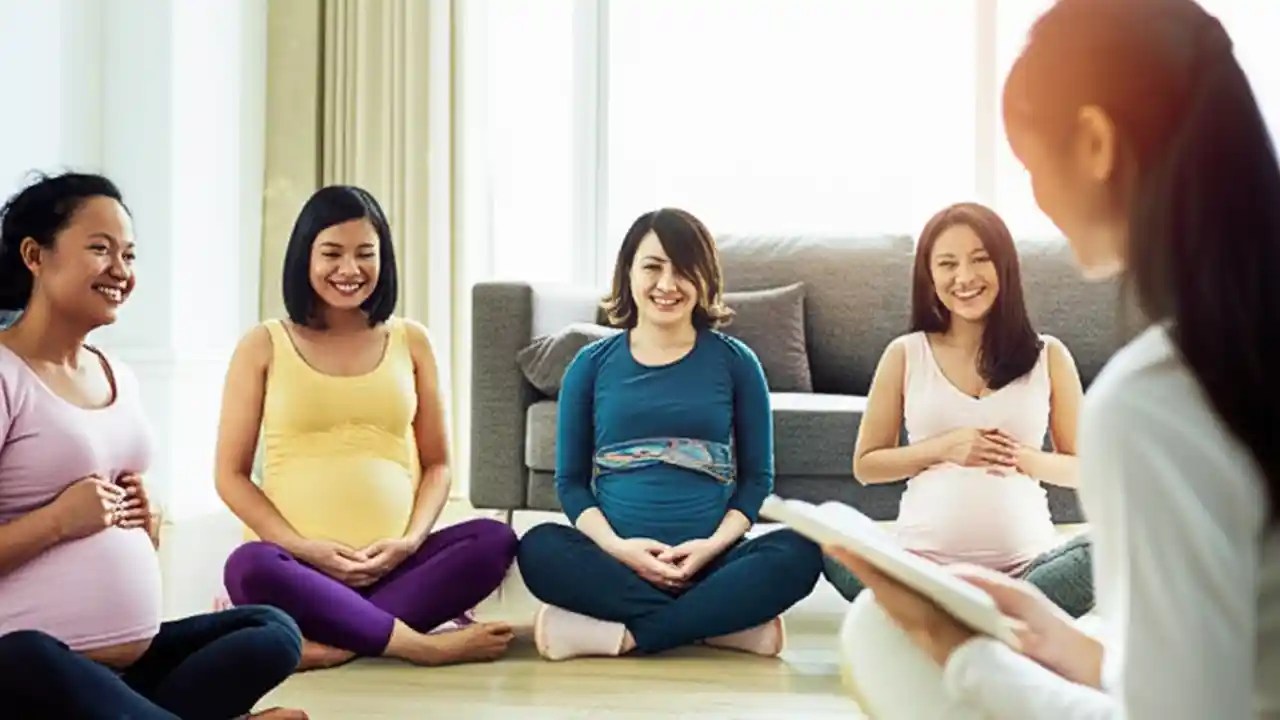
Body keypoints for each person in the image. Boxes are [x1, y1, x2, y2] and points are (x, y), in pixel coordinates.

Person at [826, 0, 1280, 717]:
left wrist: (967, 657)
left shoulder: (1156, 400)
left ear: (1095, 144)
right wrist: (1074, 650)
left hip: (1032, 556)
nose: (1038, 196)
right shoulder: (1229, 357)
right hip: (940, 552)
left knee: (880, 636)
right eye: (945, 263)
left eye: (1032, 162)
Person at [0, 172, 305, 719]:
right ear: (34, 255)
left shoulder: (116, 372)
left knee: (273, 629)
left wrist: (150, 516)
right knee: (24, 656)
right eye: (100, 249)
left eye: (130, 255)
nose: (121, 270)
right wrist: (56, 522)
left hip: (127, 668)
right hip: (27, 668)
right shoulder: (5, 375)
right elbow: (70, 517)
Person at [216, 185, 517, 670]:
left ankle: (332, 642)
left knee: (493, 540)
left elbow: (439, 463)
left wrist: (410, 542)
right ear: (304, 258)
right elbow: (229, 475)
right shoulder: (264, 344)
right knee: (248, 567)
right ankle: (415, 645)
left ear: (385, 259)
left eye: (365, 254)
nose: (350, 270)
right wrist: (302, 547)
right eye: (332, 253)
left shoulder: (411, 340)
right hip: (299, 569)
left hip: (396, 568)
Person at [515, 208, 824, 661]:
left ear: (705, 278)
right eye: (653, 267)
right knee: (540, 548)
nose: (667, 284)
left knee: (800, 550)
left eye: (683, 270)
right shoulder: (590, 365)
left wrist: (710, 547)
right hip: (616, 562)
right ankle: (716, 626)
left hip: (712, 562)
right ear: (628, 274)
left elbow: (757, 480)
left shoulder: (736, 361)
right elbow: (572, 483)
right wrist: (620, 549)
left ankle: (627, 635)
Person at [823, 202, 1093, 618]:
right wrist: (944, 448)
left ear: (1004, 266)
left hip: (1026, 576)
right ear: (929, 277)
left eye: (980, 259)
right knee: (829, 535)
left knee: (1105, 550)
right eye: (947, 264)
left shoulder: (1049, 355)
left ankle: (948, 623)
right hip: (923, 571)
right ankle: (986, 625)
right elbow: (867, 465)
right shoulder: (905, 353)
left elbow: (1080, 468)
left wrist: (1020, 458)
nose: (964, 277)